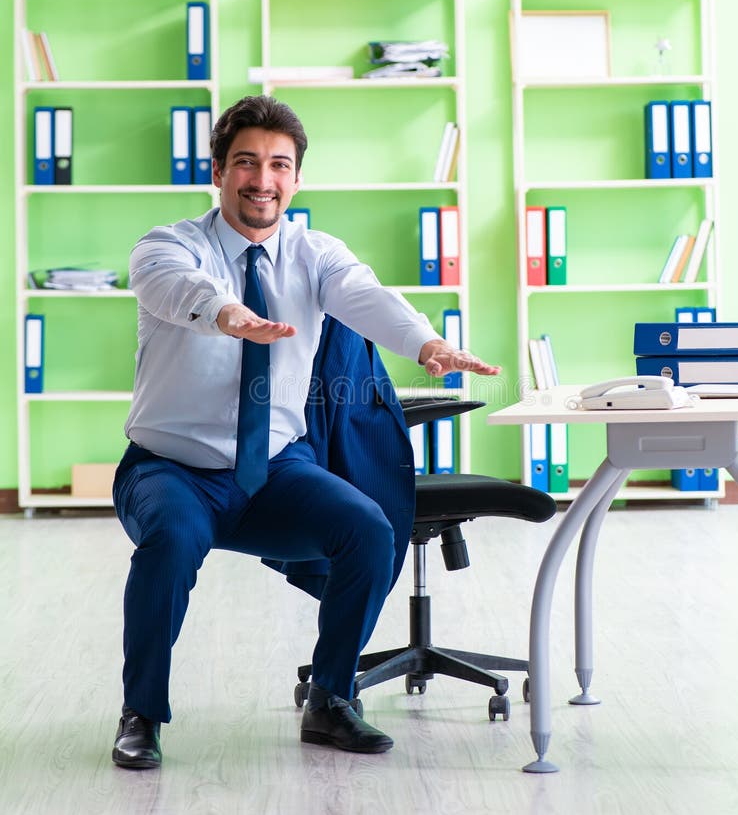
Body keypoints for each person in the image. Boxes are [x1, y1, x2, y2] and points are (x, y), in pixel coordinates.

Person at [111, 94, 501, 769]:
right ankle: (141, 712)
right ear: (218, 170)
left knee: (370, 530)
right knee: (171, 540)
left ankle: (330, 699)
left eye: (278, 165)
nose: (262, 179)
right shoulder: (170, 245)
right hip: (170, 469)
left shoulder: (314, 253)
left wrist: (425, 341)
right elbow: (172, 288)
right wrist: (227, 314)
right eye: (246, 163)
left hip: (273, 471)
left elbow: (364, 294)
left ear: (295, 177)